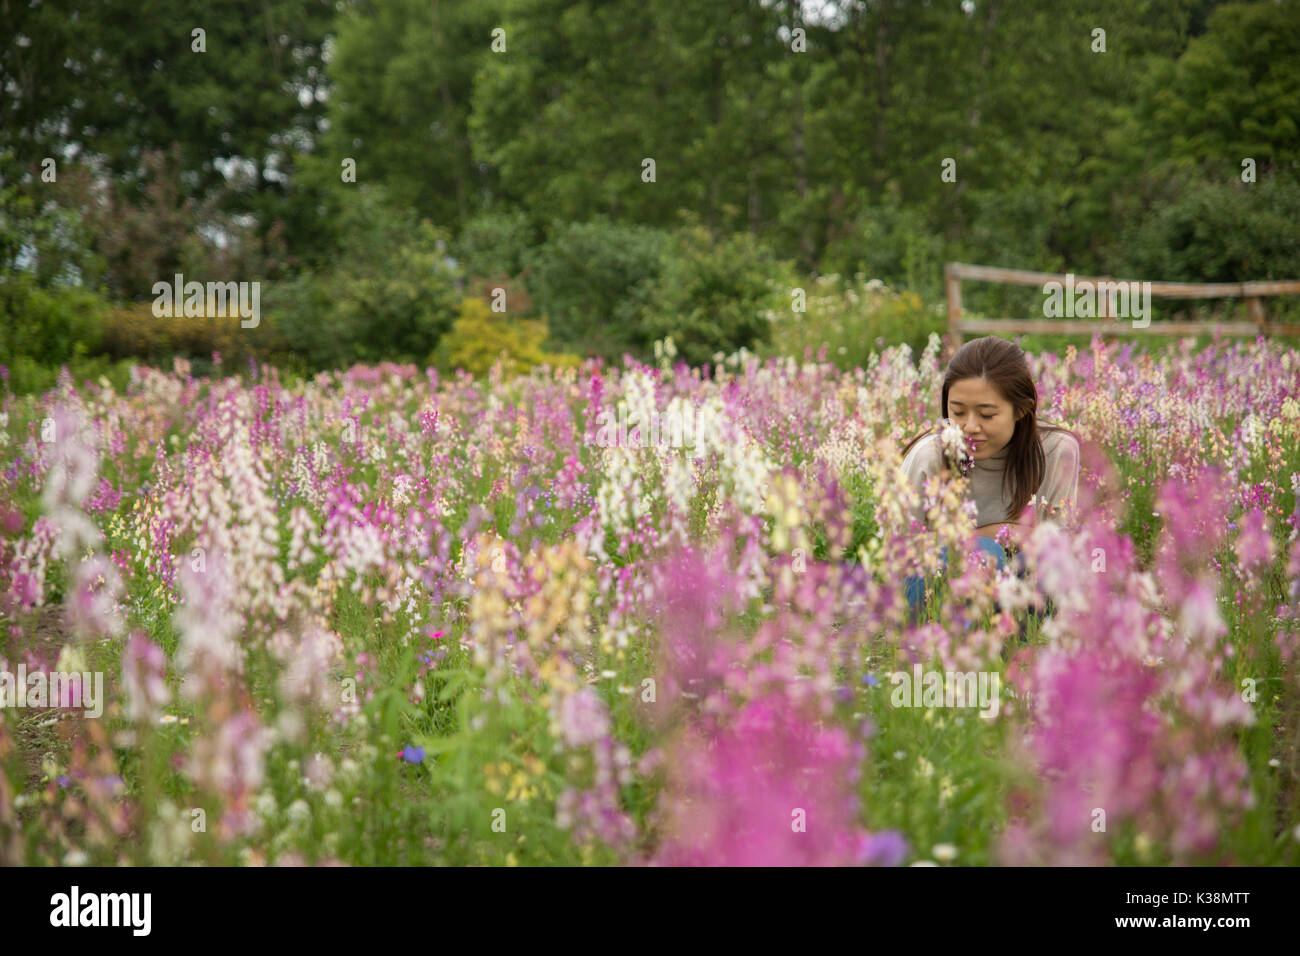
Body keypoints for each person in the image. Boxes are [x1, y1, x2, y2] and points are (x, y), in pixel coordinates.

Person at [899, 336, 1081, 625]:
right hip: (935, 601)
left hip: (1022, 601)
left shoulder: (1057, 451)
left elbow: (1060, 546)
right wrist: (996, 533)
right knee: (984, 554)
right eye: (957, 412)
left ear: (1021, 410)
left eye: (987, 414)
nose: (970, 426)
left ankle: (1017, 644)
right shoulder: (930, 456)